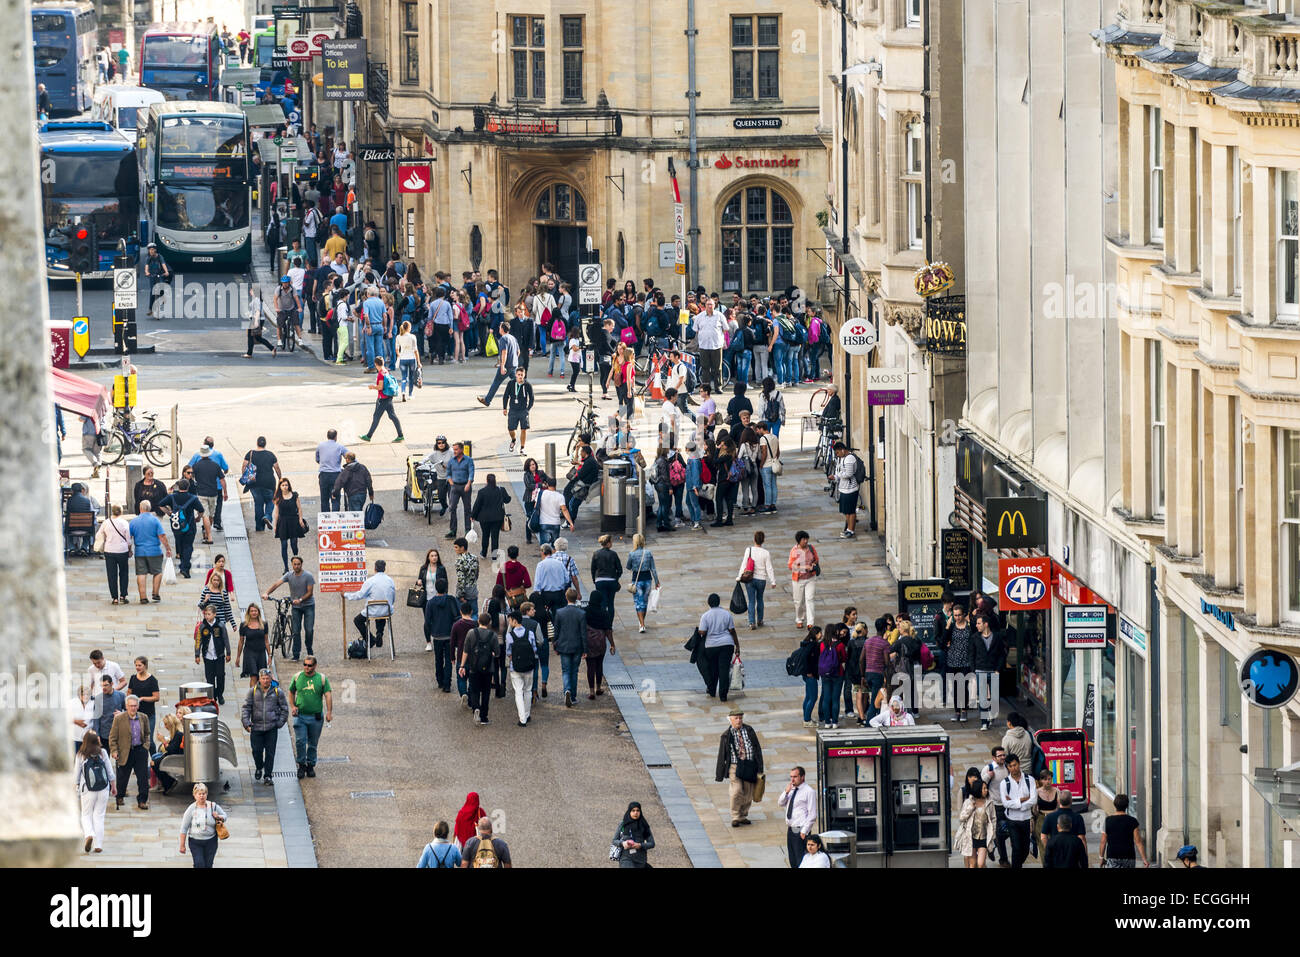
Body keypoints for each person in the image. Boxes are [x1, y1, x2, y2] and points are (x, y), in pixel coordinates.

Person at [715, 708, 764, 828]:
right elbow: (722, 755)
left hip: (750, 764)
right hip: (735, 766)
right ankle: (735, 816)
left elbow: (757, 748)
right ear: (730, 720)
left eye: (740, 718)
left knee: (748, 792)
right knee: (736, 791)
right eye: (736, 718)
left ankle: (743, 815)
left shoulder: (749, 730)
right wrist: (719, 774)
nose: (739, 720)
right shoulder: (726, 735)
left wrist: (760, 766)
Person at [242, 669, 288, 786]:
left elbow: (284, 709)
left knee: (270, 753)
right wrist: (246, 723)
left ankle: (268, 775)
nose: (265, 681)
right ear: (259, 679)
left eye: (267, 678)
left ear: (271, 679)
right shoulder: (252, 692)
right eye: (263, 678)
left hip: (271, 728)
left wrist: (280, 723)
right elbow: (246, 708)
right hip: (256, 727)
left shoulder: (278, 692)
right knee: (256, 751)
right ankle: (259, 766)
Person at [263, 556, 316, 660]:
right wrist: (267, 593)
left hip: (308, 605)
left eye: (298, 564)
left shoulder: (308, 576)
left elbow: (310, 592)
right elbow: (276, 584)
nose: (296, 566)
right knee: (296, 630)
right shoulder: (289, 575)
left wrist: (300, 599)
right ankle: (296, 654)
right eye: (294, 564)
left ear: (302, 564)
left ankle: (309, 648)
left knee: (309, 629)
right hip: (296, 607)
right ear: (292, 565)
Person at [288, 657, 332, 779]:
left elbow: (328, 695)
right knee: (300, 741)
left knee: (313, 743)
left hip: (316, 717)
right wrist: (292, 706)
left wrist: (329, 712)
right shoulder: (297, 677)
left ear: (315, 666)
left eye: (310, 665)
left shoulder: (321, 679)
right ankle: (301, 764)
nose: (307, 667)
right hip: (300, 716)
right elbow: (291, 692)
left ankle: (311, 765)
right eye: (305, 665)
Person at [108, 694, 151, 812]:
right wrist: (114, 751)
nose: (133, 708)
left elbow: (147, 734)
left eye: (135, 706)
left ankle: (142, 800)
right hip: (125, 751)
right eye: (130, 706)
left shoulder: (144, 717)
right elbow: (112, 737)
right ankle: (120, 796)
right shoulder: (119, 718)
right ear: (126, 706)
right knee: (122, 777)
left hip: (140, 751)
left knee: (143, 778)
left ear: (138, 706)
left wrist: (145, 747)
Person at [74, 731, 115, 853]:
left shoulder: (81, 755)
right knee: (99, 816)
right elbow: (110, 772)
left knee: (86, 815)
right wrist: (113, 786)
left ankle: (89, 834)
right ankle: (99, 845)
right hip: (103, 789)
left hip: (87, 790)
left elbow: (76, 776)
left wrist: (75, 787)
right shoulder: (103, 753)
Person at [128, 501, 172, 604]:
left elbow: (129, 538)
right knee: (157, 572)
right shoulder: (155, 521)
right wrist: (168, 548)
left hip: (140, 551)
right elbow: (162, 536)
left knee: (141, 573)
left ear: (140, 508)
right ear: (150, 508)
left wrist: (129, 550)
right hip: (154, 551)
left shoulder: (134, 522)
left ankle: (143, 597)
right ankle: (155, 593)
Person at [698, 592, 739, 700]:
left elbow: (702, 632)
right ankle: (723, 695)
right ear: (719, 602)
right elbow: (732, 630)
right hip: (727, 644)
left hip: (711, 646)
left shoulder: (705, 616)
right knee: (724, 669)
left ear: (709, 603)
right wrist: (737, 646)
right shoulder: (726, 614)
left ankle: (712, 690)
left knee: (713, 668)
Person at [460, 615, 500, 724]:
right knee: (486, 692)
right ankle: (484, 717)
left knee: (474, 689)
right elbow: (497, 653)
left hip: (474, 666)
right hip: (488, 668)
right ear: (489, 622)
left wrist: (462, 665)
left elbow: (466, 651)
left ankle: (475, 707)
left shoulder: (471, 633)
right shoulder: (493, 635)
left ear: (478, 621)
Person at [347, 560, 396, 647]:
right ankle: (379, 632)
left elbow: (360, 595)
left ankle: (371, 639)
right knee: (381, 613)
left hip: (372, 611)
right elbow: (393, 598)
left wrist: (346, 595)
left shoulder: (370, 581)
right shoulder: (390, 580)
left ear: (375, 569)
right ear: (384, 569)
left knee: (357, 620)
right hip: (387, 610)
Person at [178, 783, 228, 868]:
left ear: (206, 794)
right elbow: (184, 828)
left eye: (203, 794)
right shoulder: (191, 809)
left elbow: (225, 816)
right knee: (199, 864)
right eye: (199, 794)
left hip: (211, 841)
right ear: (194, 795)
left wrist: (218, 817)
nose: (201, 796)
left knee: (208, 865)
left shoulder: (213, 806)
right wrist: (182, 845)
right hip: (195, 842)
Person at [972, 612, 1007, 731]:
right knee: (982, 698)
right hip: (980, 670)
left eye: (978, 623)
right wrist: (973, 670)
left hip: (993, 670)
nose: (976, 625)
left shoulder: (997, 637)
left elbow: (1002, 654)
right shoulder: (975, 637)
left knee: (994, 697)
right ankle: (984, 722)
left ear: (986, 624)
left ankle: (992, 715)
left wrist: (998, 669)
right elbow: (971, 655)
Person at [1000, 753, 1035, 868]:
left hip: (1026, 818)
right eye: (1010, 766)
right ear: (1007, 767)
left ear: (1019, 764)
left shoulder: (1029, 780)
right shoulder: (1004, 783)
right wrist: (1023, 800)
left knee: (1025, 849)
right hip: (1012, 820)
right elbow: (1005, 803)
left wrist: (1015, 803)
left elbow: (1033, 800)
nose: (1013, 768)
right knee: (1016, 848)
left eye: (1015, 765)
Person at [504, 609, 539, 725]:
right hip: (529, 666)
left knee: (518, 692)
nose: (509, 623)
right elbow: (534, 649)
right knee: (528, 690)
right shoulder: (530, 633)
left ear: (514, 621)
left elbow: (508, 652)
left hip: (516, 667)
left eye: (510, 621)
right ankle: (527, 714)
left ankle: (522, 718)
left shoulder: (510, 636)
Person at [553, 588, 587, 708]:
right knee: (574, 671)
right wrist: (585, 649)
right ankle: (572, 696)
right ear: (575, 597)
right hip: (577, 645)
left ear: (566, 598)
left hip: (563, 645)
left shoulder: (559, 612)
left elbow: (556, 631)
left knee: (566, 670)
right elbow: (584, 633)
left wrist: (555, 644)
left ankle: (567, 690)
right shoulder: (581, 613)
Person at [737, 530, 777, 630]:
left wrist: (739, 576)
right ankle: (760, 620)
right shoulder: (766, 553)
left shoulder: (749, 550)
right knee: (760, 599)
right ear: (763, 541)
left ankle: (751, 622)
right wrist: (773, 581)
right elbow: (769, 568)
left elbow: (744, 564)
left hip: (750, 579)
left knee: (751, 601)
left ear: (754, 539)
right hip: (761, 580)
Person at [779, 765, 817, 868]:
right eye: (791, 777)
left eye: (795, 777)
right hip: (790, 829)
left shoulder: (809, 791)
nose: (792, 779)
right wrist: (786, 792)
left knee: (801, 859)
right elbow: (780, 803)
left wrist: (804, 831)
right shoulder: (791, 790)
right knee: (792, 859)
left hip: (800, 829)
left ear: (802, 777)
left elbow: (812, 814)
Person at [360, 356, 405, 442]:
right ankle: (400, 435)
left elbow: (380, 387)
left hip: (383, 398)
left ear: (376, 364)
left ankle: (368, 436)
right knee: (392, 416)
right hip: (388, 397)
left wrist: (372, 387)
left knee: (376, 417)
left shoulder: (381, 374)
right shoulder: (386, 371)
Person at [94, 505, 133, 604]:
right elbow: (128, 540)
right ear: (121, 512)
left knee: (112, 575)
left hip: (109, 550)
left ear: (112, 511)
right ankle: (123, 596)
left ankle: (114, 598)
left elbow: (98, 535)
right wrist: (130, 549)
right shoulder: (124, 523)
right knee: (124, 573)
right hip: (122, 550)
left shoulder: (106, 522)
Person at [242, 436, 282, 532]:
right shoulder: (270, 455)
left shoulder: (250, 453)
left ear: (257, 443)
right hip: (269, 483)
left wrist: (246, 477)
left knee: (258, 504)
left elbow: (244, 466)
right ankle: (267, 516)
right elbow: (277, 468)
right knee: (271, 501)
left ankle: (259, 528)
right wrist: (280, 478)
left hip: (254, 483)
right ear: (265, 444)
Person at [193, 603, 231, 705]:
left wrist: (228, 652)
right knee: (209, 677)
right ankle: (212, 696)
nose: (207, 616)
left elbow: (226, 639)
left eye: (209, 614)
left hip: (219, 656)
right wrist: (197, 655)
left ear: (214, 614)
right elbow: (198, 640)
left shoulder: (220, 625)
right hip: (208, 656)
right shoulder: (202, 626)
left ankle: (220, 694)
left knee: (220, 676)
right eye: (206, 614)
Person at [943, 603, 975, 721]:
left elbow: (974, 640)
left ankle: (964, 710)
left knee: (964, 686)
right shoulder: (951, 627)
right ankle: (957, 711)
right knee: (956, 687)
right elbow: (943, 641)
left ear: (963, 615)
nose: (957, 617)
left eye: (959, 615)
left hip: (966, 661)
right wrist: (947, 626)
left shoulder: (969, 626)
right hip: (953, 661)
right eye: (955, 615)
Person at [1099, 793, 1149, 868]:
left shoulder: (1107, 821)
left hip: (1113, 856)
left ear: (1114, 805)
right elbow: (1138, 842)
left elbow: (1103, 842)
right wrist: (1144, 859)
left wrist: (1101, 858)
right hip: (1129, 857)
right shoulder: (1133, 821)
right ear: (1127, 806)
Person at [425, 580, 458, 689]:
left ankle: (440, 680)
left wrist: (428, 637)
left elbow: (427, 622)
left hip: (437, 635)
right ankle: (447, 683)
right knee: (449, 660)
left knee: (438, 659)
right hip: (449, 635)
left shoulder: (431, 602)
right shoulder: (451, 600)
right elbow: (457, 616)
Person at [471, 473, 511, 559]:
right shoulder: (501, 490)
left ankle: (484, 553)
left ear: (487, 481)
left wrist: (473, 515)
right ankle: (494, 555)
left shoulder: (482, 492)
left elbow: (477, 505)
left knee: (485, 535)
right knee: (495, 536)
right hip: (497, 518)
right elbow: (507, 500)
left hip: (484, 518)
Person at [626, 533, 660, 633]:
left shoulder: (632, 554)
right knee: (644, 602)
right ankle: (642, 622)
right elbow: (653, 569)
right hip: (648, 580)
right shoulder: (648, 553)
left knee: (638, 602)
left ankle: (642, 624)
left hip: (637, 580)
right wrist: (657, 581)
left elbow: (628, 566)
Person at [982, 745, 1010, 866]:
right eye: (1000, 756)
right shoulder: (988, 768)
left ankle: (992, 845)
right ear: (994, 758)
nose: (1003, 757)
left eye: (1004, 755)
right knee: (1000, 832)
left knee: (1008, 832)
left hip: (1007, 805)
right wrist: (988, 776)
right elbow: (981, 785)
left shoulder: (1008, 768)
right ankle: (1003, 859)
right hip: (994, 805)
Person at [443, 441, 475, 540]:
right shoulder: (452, 461)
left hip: (465, 486)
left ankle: (467, 530)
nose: (455, 451)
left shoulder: (468, 460)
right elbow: (448, 473)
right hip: (455, 487)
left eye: (456, 449)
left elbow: (471, 472)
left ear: (461, 449)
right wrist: (450, 481)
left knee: (467, 509)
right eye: (454, 450)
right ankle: (453, 531)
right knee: (452, 508)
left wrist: (469, 484)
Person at [831, 441, 862, 539]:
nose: (837, 455)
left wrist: (838, 475)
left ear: (842, 450)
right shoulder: (843, 458)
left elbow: (848, 474)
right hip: (844, 489)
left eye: (837, 453)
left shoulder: (849, 459)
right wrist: (835, 477)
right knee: (846, 511)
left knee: (851, 511)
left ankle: (850, 530)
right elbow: (842, 473)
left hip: (850, 489)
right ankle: (848, 529)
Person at [1041, 790, 1087, 855]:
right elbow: (1082, 838)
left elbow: (1043, 837)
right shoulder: (1078, 817)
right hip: (1073, 853)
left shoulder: (1049, 817)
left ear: (1058, 801)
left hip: (1056, 852)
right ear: (1071, 801)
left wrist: (1049, 849)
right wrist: (1085, 856)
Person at [612, 801, 656, 868]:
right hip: (626, 858)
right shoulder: (623, 824)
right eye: (633, 811)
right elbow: (614, 840)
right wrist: (623, 843)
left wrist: (640, 845)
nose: (636, 813)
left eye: (638, 810)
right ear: (629, 812)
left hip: (640, 859)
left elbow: (652, 843)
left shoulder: (644, 825)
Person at [235, 604, 270, 688]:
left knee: (261, 677)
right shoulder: (244, 625)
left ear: (258, 612)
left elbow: (266, 641)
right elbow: (241, 641)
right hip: (249, 653)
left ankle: (259, 696)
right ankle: (253, 697)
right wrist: (238, 657)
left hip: (261, 652)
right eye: (252, 611)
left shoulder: (264, 624)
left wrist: (269, 655)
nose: (254, 613)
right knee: (253, 675)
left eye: (255, 611)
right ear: (248, 613)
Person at [590, 533, 624, 620]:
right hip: (611, 580)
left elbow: (593, 569)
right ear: (608, 543)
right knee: (610, 603)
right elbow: (620, 569)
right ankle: (609, 624)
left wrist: (595, 580)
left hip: (600, 580)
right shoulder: (613, 554)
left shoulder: (596, 554)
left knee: (602, 603)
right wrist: (616, 578)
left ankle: (602, 622)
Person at [502, 366, 534, 453]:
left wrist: (528, 409)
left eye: (522, 375)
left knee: (524, 428)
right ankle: (513, 439)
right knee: (511, 428)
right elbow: (505, 396)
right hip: (513, 409)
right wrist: (504, 408)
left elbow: (532, 398)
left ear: (524, 375)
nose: (520, 376)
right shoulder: (511, 383)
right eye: (518, 374)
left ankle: (522, 447)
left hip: (523, 410)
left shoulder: (527, 385)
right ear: (515, 375)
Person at [315, 429, 348, 512]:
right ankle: (335, 519)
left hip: (324, 475)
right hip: (336, 475)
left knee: (324, 499)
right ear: (336, 437)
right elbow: (349, 456)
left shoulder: (320, 446)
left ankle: (326, 520)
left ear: (327, 436)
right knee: (335, 499)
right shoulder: (340, 446)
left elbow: (317, 459)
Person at [127, 656, 160, 725]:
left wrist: (143, 698)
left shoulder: (152, 680)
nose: (137, 667)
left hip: (148, 714)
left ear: (145, 666)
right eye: (136, 665)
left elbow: (156, 697)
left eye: (139, 665)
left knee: (148, 735)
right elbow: (129, 692)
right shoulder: (133, 678)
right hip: (135, 713)